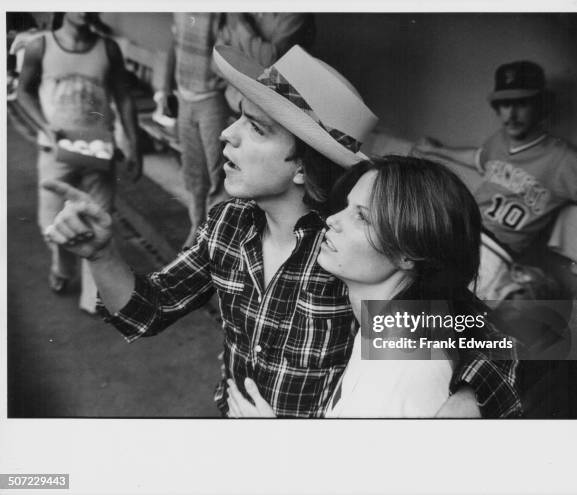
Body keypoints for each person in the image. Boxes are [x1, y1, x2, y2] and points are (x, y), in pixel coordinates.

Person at [42, 45, 520, 418]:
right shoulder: (227, 223)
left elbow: (483, 335)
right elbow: (149, 310)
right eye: (236, 120)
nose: (228, 135)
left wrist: (469, 400)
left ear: (302, 167)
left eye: (257, 128)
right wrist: (102, 254)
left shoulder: (350, 251)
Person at [225, 155, 518, 418]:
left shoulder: (401, 366)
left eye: (362, 216)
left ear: (408, 252)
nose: (332, 220)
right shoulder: (397, 325)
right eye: (347, 207)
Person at [413, 61, 577, 301]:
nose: (511, 114)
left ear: (540, 105)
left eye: (522, 103)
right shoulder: (500, 141)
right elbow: (477, 157)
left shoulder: (565, 159)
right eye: (506, 103)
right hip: (460, 231)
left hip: (495, 253)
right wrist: (436, 150)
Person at [17, 12, 141, 311]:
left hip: (97, 147)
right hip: (55, 148)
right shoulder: (41, 46)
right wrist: (45, 127)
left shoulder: (107, 48)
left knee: (97, 219)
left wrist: (134, 146)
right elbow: (22, 92)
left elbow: (124, 97)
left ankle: (93, 297)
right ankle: (62, 266)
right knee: (50, 220)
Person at [160, 13, 231, 248]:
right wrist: (165, 89)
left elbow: (230, 48)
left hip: (212, 100)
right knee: (192, 172)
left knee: (217, 174)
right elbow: (174, 43)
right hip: (184, 98)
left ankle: (212, 238)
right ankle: (197, 226)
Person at [215, 13, 316, 115]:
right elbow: (218, 62)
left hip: (279, 103)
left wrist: (239, 22)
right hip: (237, 100)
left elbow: (268, 59)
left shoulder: (294, 14)